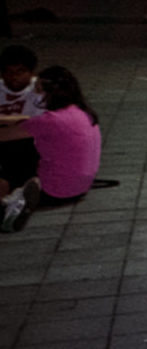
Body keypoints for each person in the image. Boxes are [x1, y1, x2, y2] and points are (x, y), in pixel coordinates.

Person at [0, 67, 102, 232]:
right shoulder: (81, 113)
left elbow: (6, 135)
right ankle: (16, 198)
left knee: (13, 148)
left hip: (52, 190)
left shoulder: (49, 121)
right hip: (78, 187)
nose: (34, 93)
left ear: (49, 93)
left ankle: (8, 203)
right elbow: (28, 121)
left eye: (38, 89)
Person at [0, 45, 45, 117]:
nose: (14, 76)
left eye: (20, 72)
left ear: (32, 73)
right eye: (9, 72)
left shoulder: (43, 90)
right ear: (2, 74)